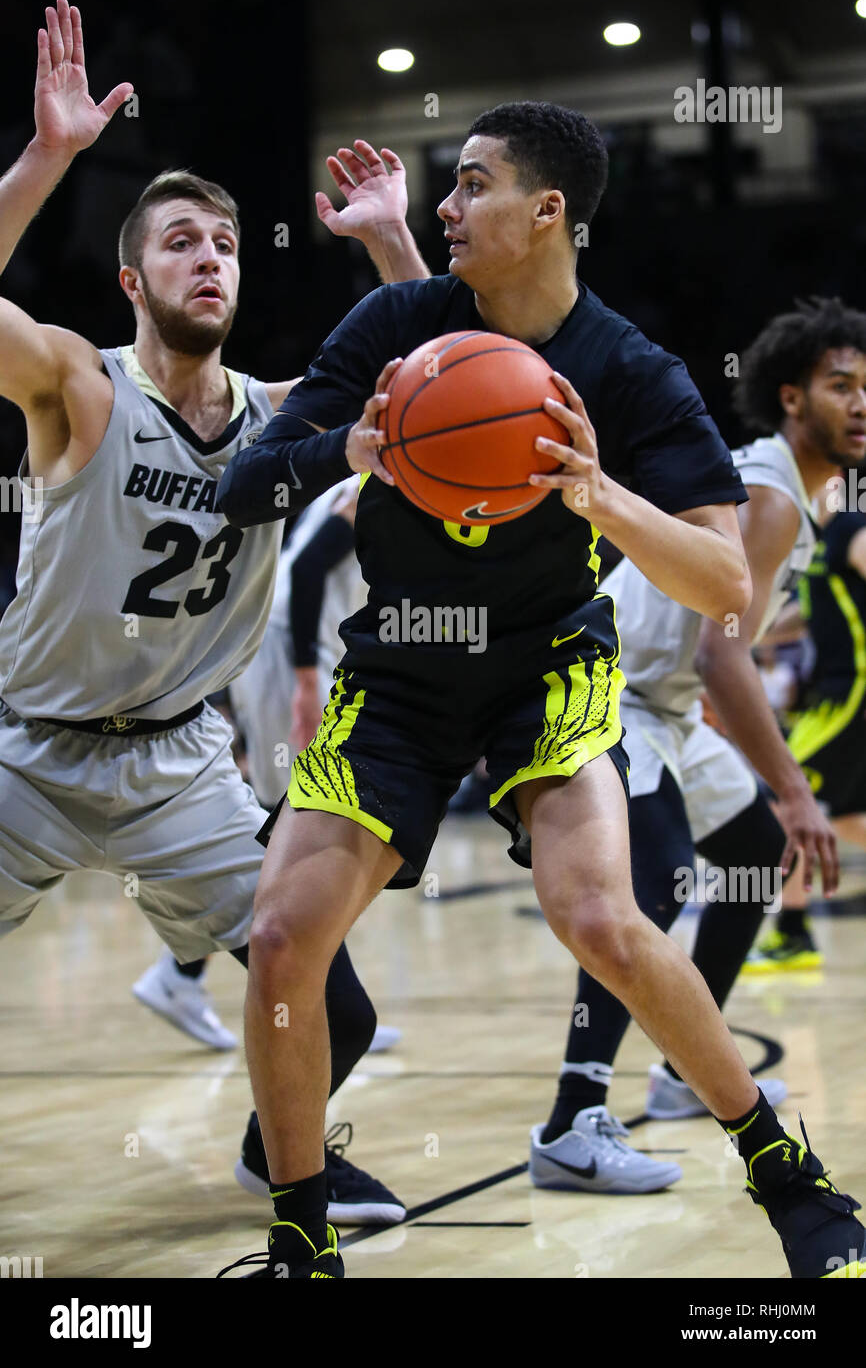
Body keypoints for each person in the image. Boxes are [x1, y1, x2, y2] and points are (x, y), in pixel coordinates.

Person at [216, 102, 865, 1278]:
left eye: (469, 185)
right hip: (399, 674)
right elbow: (241, 491)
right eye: (446, 192)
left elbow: (724, 582)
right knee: (277, 938)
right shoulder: (396, 324)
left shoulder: (630, 370)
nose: (446, 209)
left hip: (546, 670)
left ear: (547, 209)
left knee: (602, 920)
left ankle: (795, 1187)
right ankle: (300, 1235)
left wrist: (597, 493)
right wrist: (340, 453)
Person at [0, 0, 419, 1234]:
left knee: (332, 1007)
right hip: (28, 745)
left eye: (226, 244)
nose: (210, 260)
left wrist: (392, 239)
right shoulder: (78, 384)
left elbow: (442, 368)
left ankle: (272, 1149)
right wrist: (47, 161)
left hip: (184, 767)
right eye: (181, 242)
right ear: (135, 278)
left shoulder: (285, 410)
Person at [530, 298, 866, 1192]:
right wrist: (795, 788)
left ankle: (685, 1068)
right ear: (792, 399)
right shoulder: (771, 491)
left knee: (753, 850)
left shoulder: (794, 489)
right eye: (843, 386)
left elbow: (727, 647)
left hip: (670, 703)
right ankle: (574, 1118)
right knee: (657, 877)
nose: (862, 403)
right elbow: (723, 649)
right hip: (622, 688)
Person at [746, 456, 866, 972]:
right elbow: (810, 615)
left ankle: (792, 934)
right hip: (832, 692)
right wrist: (748, 633)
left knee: (783, 800)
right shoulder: (816, 541)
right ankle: (792, 932)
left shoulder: (852, 526)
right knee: (842, 817)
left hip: (854, 690)